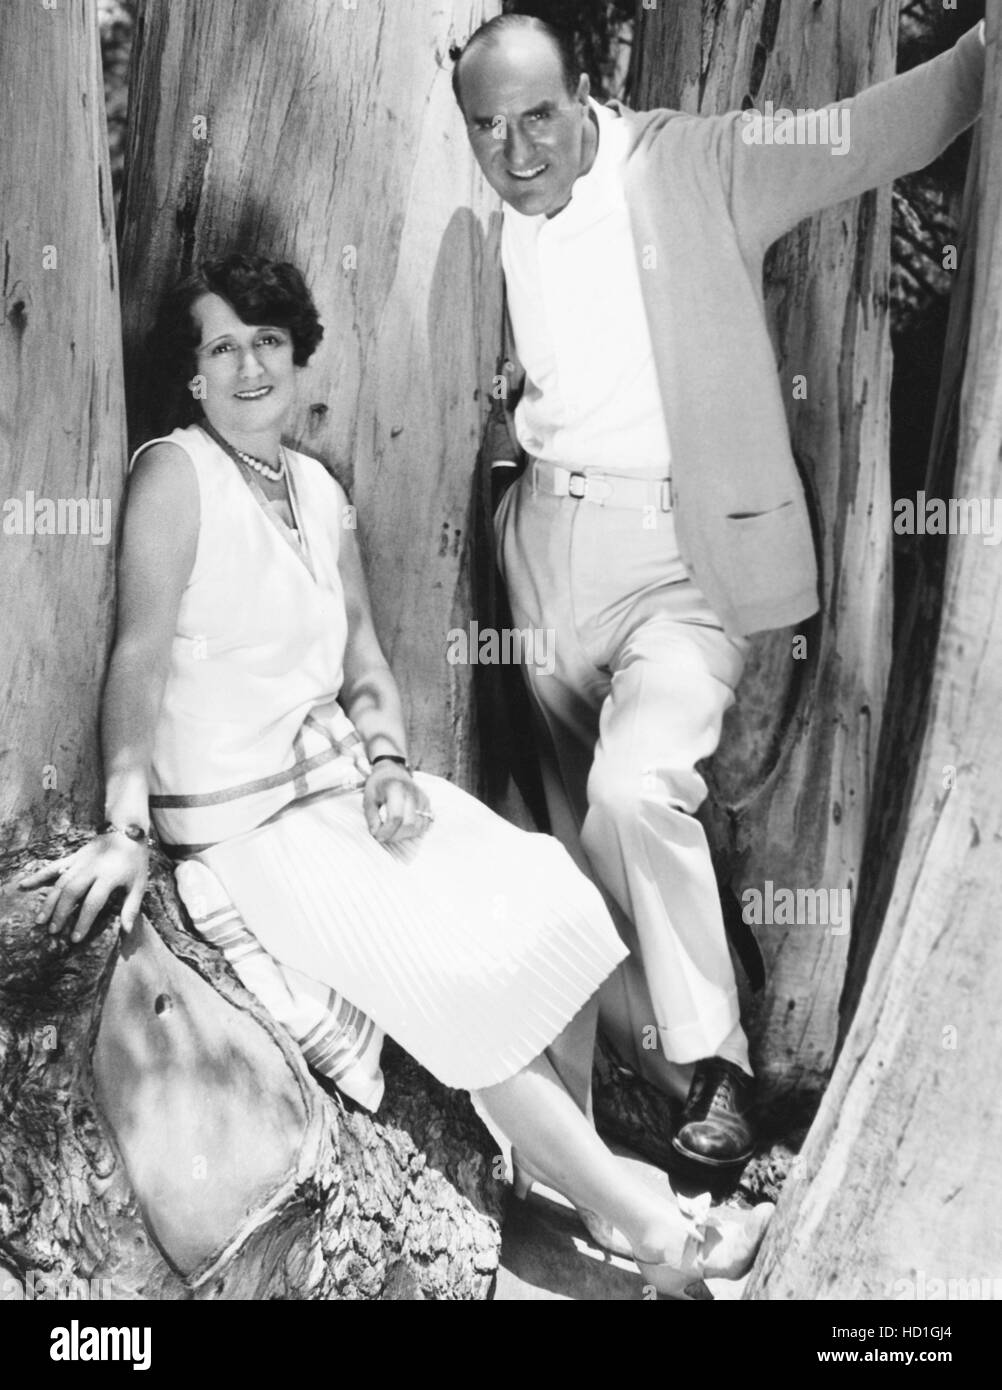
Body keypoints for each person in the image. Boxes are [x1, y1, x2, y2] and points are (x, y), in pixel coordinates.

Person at [19, 252, 772, 1298]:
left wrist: (384, 762)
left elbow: (364, 660)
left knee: (552, 896)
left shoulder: (319, 492)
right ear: (190, 376)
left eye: (268, 343)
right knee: (456, 980)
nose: (248, 367)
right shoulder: (174, 474)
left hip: (340, 790)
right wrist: (122, 827)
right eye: (221, 348)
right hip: (248, 830)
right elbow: (138, 658)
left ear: (299, 357)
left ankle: (581, 1178)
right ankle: (656, 1230)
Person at [451, 13, 987, 1171]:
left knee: (636, 792)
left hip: (681, 560)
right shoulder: (481, 215)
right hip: (540, 544)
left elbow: (871, 132)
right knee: (557, 833)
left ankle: (721, 1067)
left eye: (540, 115)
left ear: (585, 91)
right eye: (488, 128)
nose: (518, 150)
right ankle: (629, 1080)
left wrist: (981, 59)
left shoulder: (694, 164)